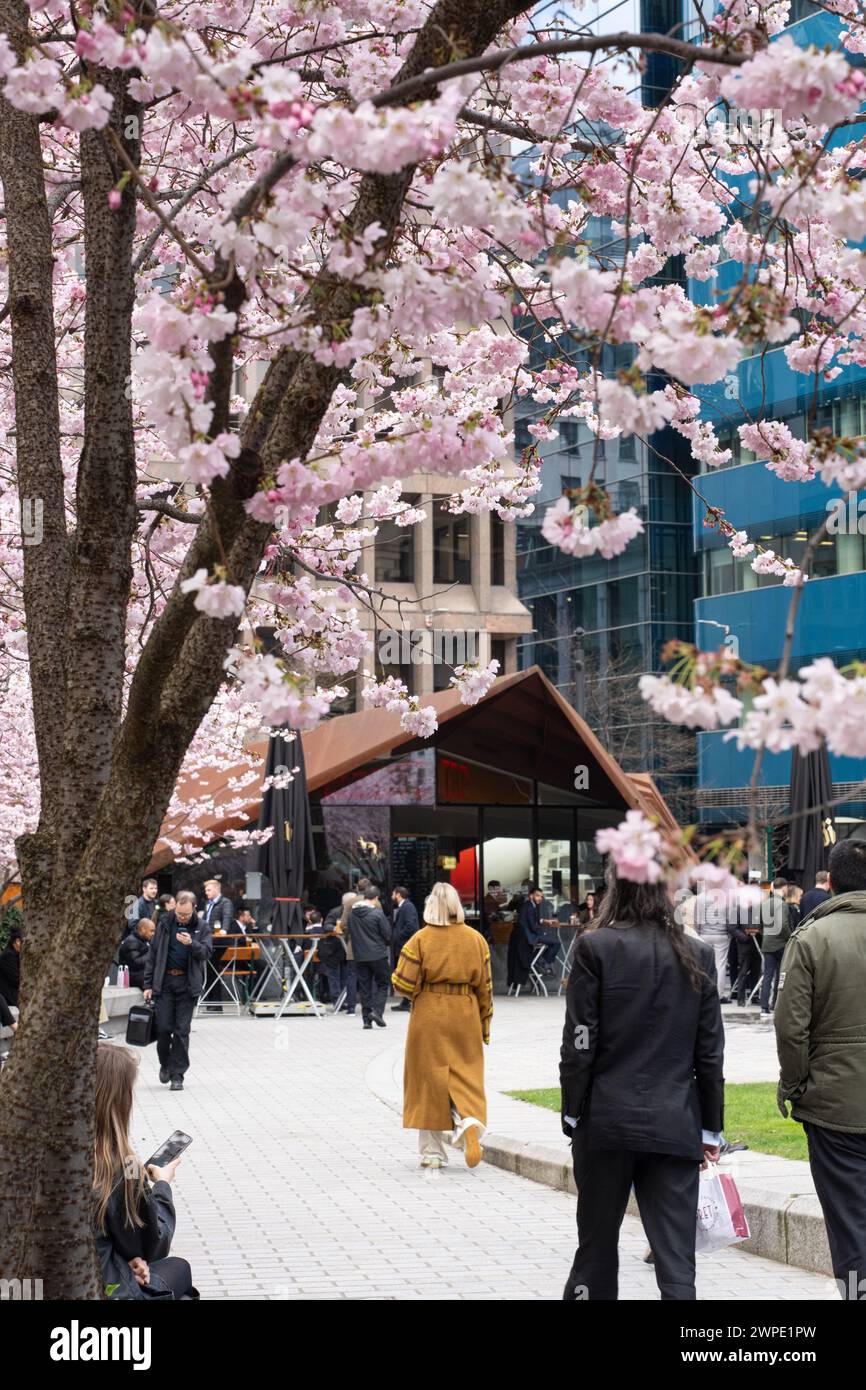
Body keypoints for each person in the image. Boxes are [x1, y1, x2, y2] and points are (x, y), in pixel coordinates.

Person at [560, 869, 724, 1301]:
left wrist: (572, 1111)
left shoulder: (594, 946)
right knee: (675, 1255)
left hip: (607, 1117)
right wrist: (710, 1127)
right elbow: (710, 1052)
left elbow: (579, 1040)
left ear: (618, 888)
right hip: (674, 1117)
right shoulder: (697, 953)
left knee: (595, 1245)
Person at [775, 838, 866, 1300]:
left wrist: (794, 1086)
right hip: (836, 1099)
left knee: (850, 1225)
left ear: (829, 883)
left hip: (835, 1105)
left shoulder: (811, 938)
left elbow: (790, 1027)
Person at [392, 882, 493, 1170]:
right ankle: (469, 1120)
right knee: (466, 1074)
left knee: (429, 1079)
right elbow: (485, 988)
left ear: (430, 907)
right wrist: (484, 1026)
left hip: (429, 1014)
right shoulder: (476, 940)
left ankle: (432, 1152)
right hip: (466, 1011)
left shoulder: (420, 940)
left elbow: (402, 983)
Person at [93, 1043, 196, 1300]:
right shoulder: (123, 1167)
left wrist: (128, 1262)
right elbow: (153, 1243)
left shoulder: (35, 1157)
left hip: (45, 1283)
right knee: (179, 1271)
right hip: (106, 1290)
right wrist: (162, 1185)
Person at [144, 890, 213, 1091]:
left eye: (186, 914)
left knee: (182, 1031)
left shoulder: (202, 927)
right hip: (164, 983)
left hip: (187, 984)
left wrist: (192, 944)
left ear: (193, 909)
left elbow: (207, 953)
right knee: (164, 1029)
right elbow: (153, 955)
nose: (182, 917)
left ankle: (178, 1074)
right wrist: (148, 985)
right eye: (179, 913)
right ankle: (165, 1063)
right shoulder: (165, 924)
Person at [345, 886, 391, 1028]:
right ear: (376, 898)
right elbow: (387, 934)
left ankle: (366, 1020)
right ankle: (377, 1012)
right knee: (383, 984)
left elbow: (348, 930)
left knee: (365, 987)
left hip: (360, 956)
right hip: (377, 954)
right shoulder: (377, 914)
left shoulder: (352, 914)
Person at [508, 886, 559, 988]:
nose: (540, 898)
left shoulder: (529, 906)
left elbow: (534, 920)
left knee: (550, 942)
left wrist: (544, 921)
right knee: (556, 943)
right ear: (531, 896)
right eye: (537, 896)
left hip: (524, 937)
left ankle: (541, 961)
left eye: (541, 896)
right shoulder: (530, 907)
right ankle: (545, 962)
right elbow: (532, 926)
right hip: (529, 937)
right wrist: (542, 933)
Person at [759, 877, 792, 1022]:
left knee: (767, 975)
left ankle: (764, 1006)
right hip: (781, 944)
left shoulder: (765, 903)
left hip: (767, 943)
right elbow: (784, 925)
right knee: (781, 976)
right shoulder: (783, 904)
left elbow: (761, 923)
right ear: (784, 887)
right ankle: (776, 1003)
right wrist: (791, 938)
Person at [694, 878, 731, 1001]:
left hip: (704, 935)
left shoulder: (700, 898)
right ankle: (719, 994)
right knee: (720, 965)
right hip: (721, 935)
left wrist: (698, 933)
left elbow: (697, 919)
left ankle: (703, 991)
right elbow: (729, 917)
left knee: (704, 964)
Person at [390, 886, 420, 1012]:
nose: (391, 896)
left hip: (405, 944)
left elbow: (410, 926)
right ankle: (406, 1001)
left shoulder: (407, 907)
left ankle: (408, 1001)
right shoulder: (404, 907)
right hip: (402, 944)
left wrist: (397, 937)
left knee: (407, 972)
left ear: (398, 894)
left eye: (393, 893)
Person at [329, 891, 358, 1013]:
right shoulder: (335, 912)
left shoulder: (356, 912)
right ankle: (337, 1001)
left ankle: (345, 1001)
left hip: (349, 950)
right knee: (335, 976)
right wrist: (334, 929)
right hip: (336, 949)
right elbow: (327, 925)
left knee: (346, 976)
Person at [119, 918, 156, 991]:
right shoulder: (132, 942)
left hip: (140, 975)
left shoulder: (143, 940)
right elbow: (136, 962)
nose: (153, 934)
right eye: (151, 931)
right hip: (134, 977)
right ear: (143, 929)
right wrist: (152, 955)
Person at [0, 928, 21, 1008]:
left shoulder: (13, 954)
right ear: (17, 941)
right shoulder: (9, 955)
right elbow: (15, 979)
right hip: (8, 998)